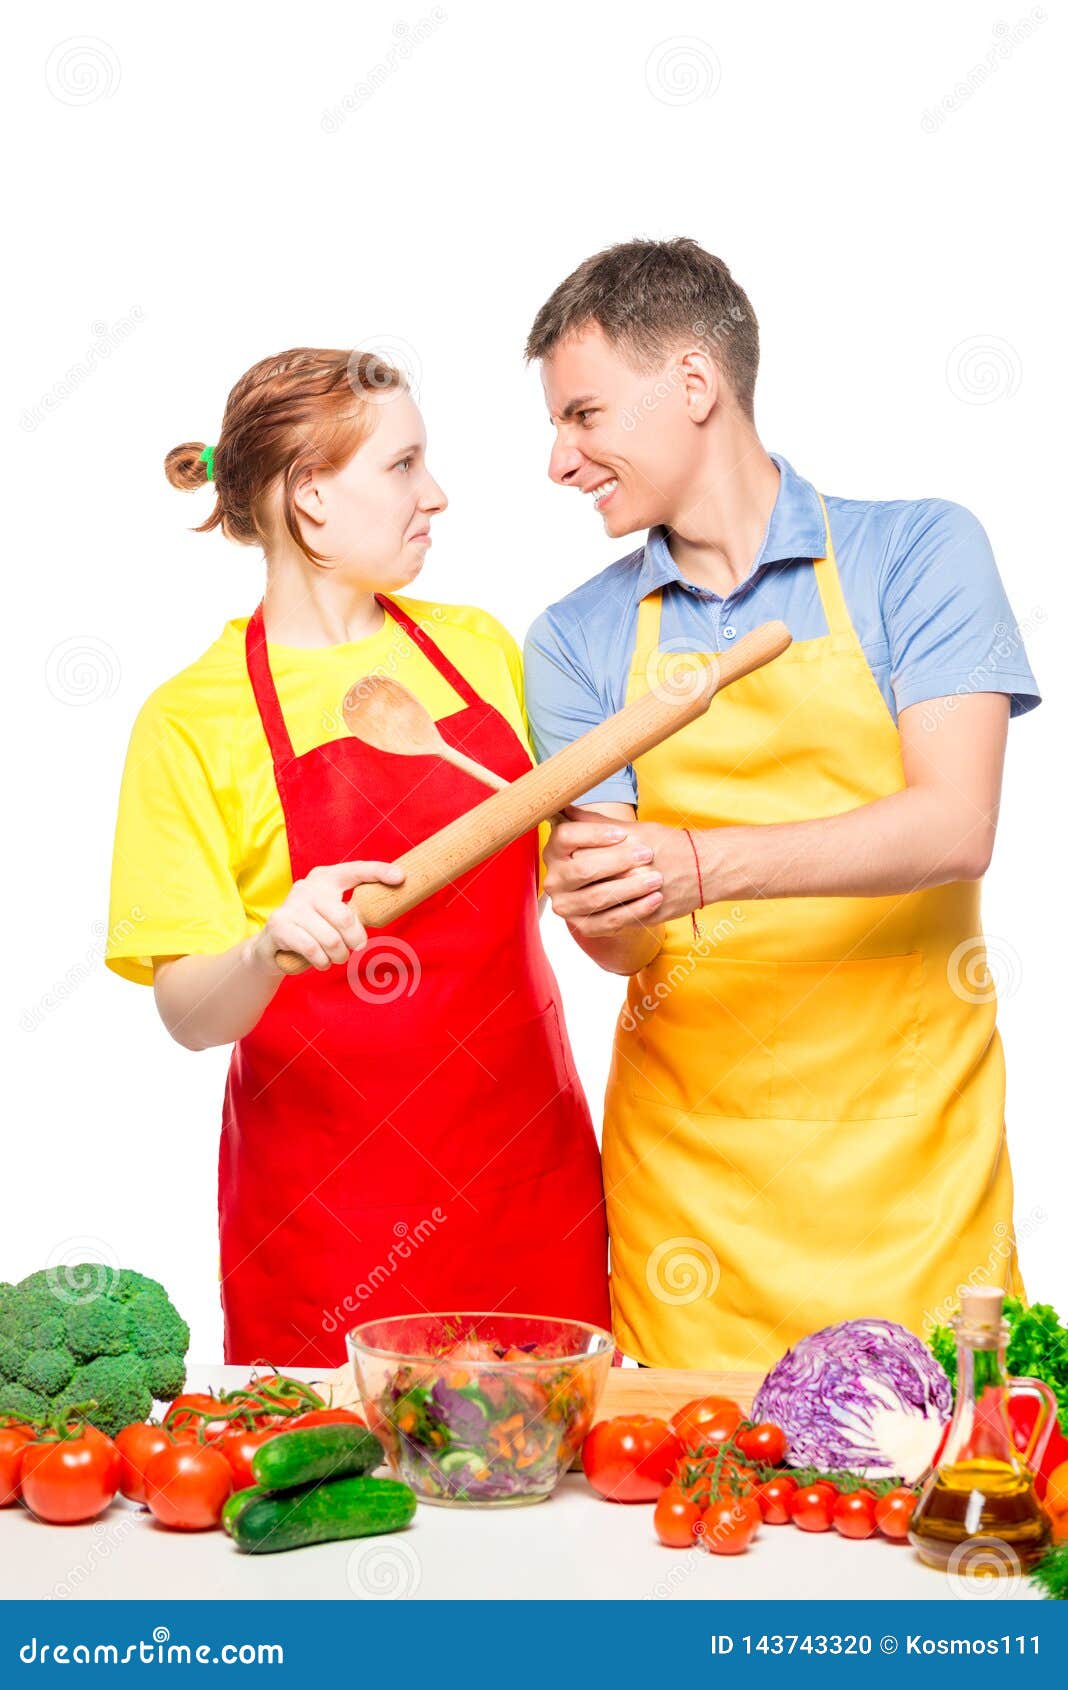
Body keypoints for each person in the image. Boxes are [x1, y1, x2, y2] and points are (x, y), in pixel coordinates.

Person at [522, 239, 1040, 1373]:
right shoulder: (573, 639)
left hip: (914, 1174)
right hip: (694, 1201)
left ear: (696, 385)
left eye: (584, 415)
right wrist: (598, 904)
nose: (559, 460)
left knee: (939, 1492)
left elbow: (955, 822)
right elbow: (626, 938)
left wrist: (695, 862)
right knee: (695, 1518)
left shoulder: (918, 551)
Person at [106, 347, 609, 1367]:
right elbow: (189, 1016)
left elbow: (574, 879)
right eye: (405, 465)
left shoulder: (478, 648)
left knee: (549, 1501)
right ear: (311, 496)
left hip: (528, 1180)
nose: (438, 495)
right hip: (331, 1220)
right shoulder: (193, 721)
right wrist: (263, 951)